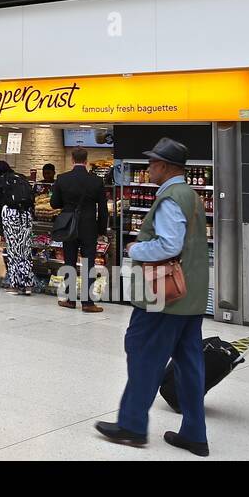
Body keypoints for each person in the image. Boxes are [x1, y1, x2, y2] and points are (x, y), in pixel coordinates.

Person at [96, 138, 210, 456]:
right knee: (189, 363)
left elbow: (169, 245)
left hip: (165, 296)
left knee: (143, 352)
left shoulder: (171, 198)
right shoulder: (190, 195)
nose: (149, 169)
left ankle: (132, 426)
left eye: (152, 164)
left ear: (164, 166)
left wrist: (135, 248)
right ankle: (194, 433)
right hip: (191, 295)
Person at [51, 146, 110, 311]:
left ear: (72, 159)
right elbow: (103, 210)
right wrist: (102, 231)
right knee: (88, 263)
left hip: (69, 225)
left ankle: (70, 300)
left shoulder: (62, 178)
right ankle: (88, 302)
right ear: (86, 160)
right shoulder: (96, 181)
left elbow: (54, 203)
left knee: (69, 261)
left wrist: (68, 205)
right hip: (89, 226)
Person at [0, 160, 36, 295]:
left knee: (13, 249)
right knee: (25, 249)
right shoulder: (21, 178)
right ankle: (27, 284)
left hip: (10, 215)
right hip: (26, 215)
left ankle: (15, 285)